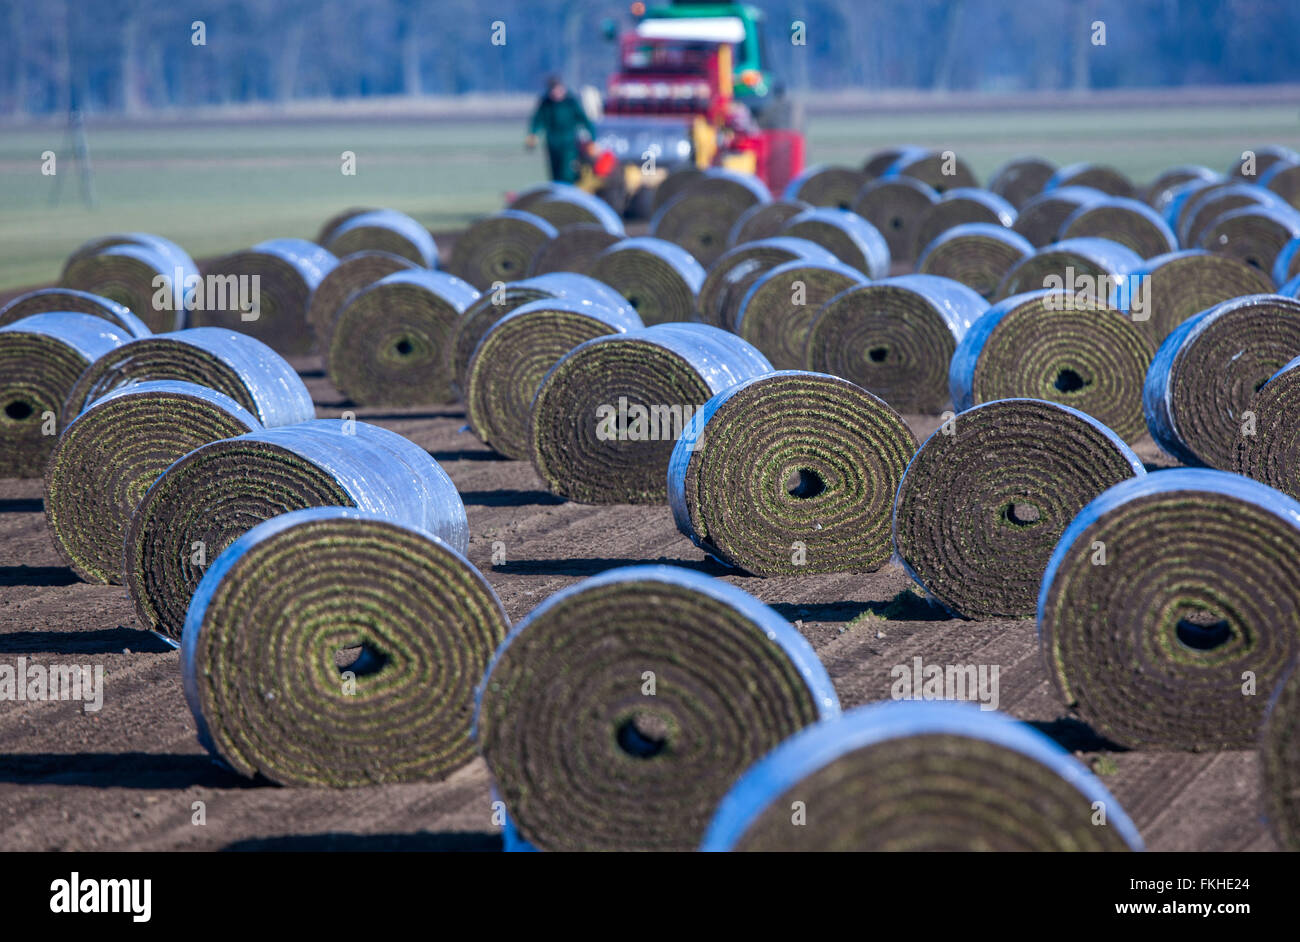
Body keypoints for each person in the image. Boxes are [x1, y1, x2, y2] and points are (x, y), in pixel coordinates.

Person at [525, 76, 596, 184]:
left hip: (569, 144)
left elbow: (585, 121)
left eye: (557, 89)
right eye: (553, 90)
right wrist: (533, 134)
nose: (556, 93)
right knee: (555, 173)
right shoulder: (546, 104)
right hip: (552, 143)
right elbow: (538, 120)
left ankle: (570, 196)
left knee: (568, 173)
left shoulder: (571, 102)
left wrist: (592, 139)